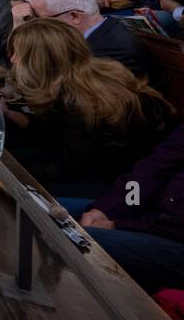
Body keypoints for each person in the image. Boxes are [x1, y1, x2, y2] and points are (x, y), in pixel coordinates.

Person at [2, 19, 173, 199]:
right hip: (108, 170)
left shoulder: (78, 100)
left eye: (18, 53)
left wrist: (9, 163)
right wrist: (16, 117)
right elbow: (59, 139)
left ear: (41, 59)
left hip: (120, 185)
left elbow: (68, 166)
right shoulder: (86, 75)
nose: (13, 59)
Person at [61, 123, 184, 293]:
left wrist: (117, 224)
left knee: (76, 239)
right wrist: (105, 210)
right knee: (44, 205)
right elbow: (153, 169)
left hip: (172, 238)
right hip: (150, 214)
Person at [25, 0, 156, 79]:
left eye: (38, 18)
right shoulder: (95, 34)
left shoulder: (113, 52)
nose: (35, 25)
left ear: (74, 16)